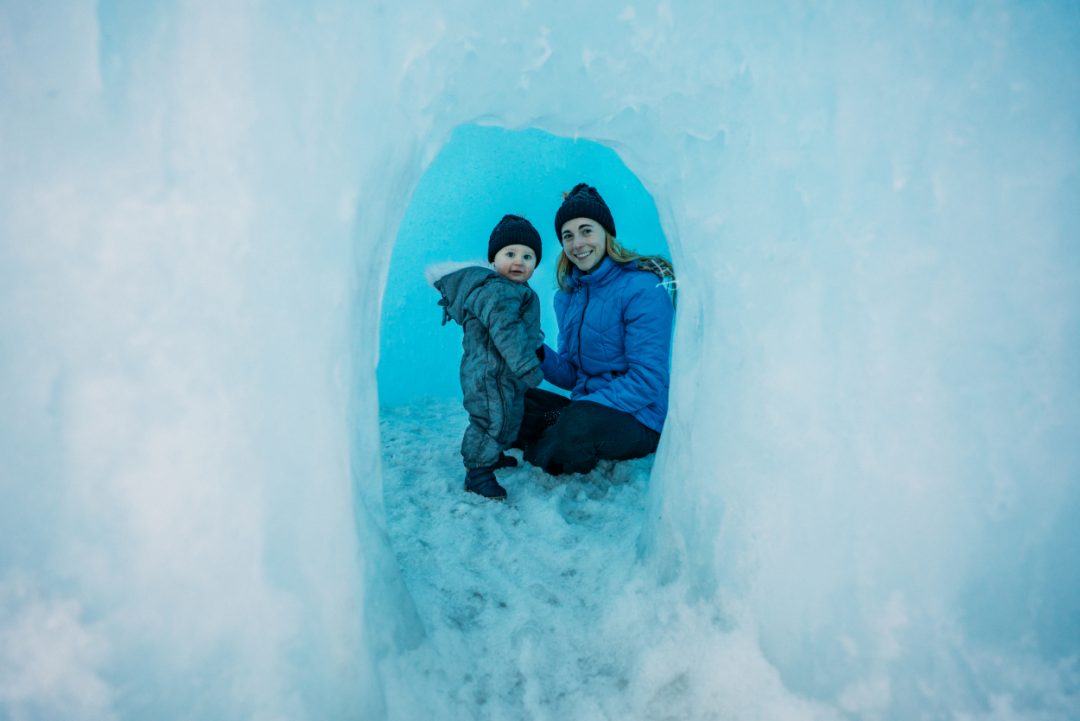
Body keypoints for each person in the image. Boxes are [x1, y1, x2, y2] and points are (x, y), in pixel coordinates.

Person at [516, 183, 675, 475]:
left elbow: (648, 380)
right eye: (568, 235)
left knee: (576, 425)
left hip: (638, 418)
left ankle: (554, 441)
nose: (577, 243)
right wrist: (536, 350)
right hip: (587, 408)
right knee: (513, 399)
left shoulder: (642, 288)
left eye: (586, 230)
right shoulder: (566, 297)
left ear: (606, 233)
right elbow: (573, 374)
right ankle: (556, 434)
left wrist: (578, 410)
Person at [428, 214, 545, 500]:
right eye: (510, 254)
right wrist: (528, 364)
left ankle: (492, 455)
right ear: (494, 260)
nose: (519, 261)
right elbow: (506, 331)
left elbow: (523, 328)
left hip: (502, 373)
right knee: (492, 420)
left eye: (528, 256)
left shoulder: (515, 290)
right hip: (489, 374)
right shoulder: (496, 291)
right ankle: (477, 472)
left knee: (509, 415)